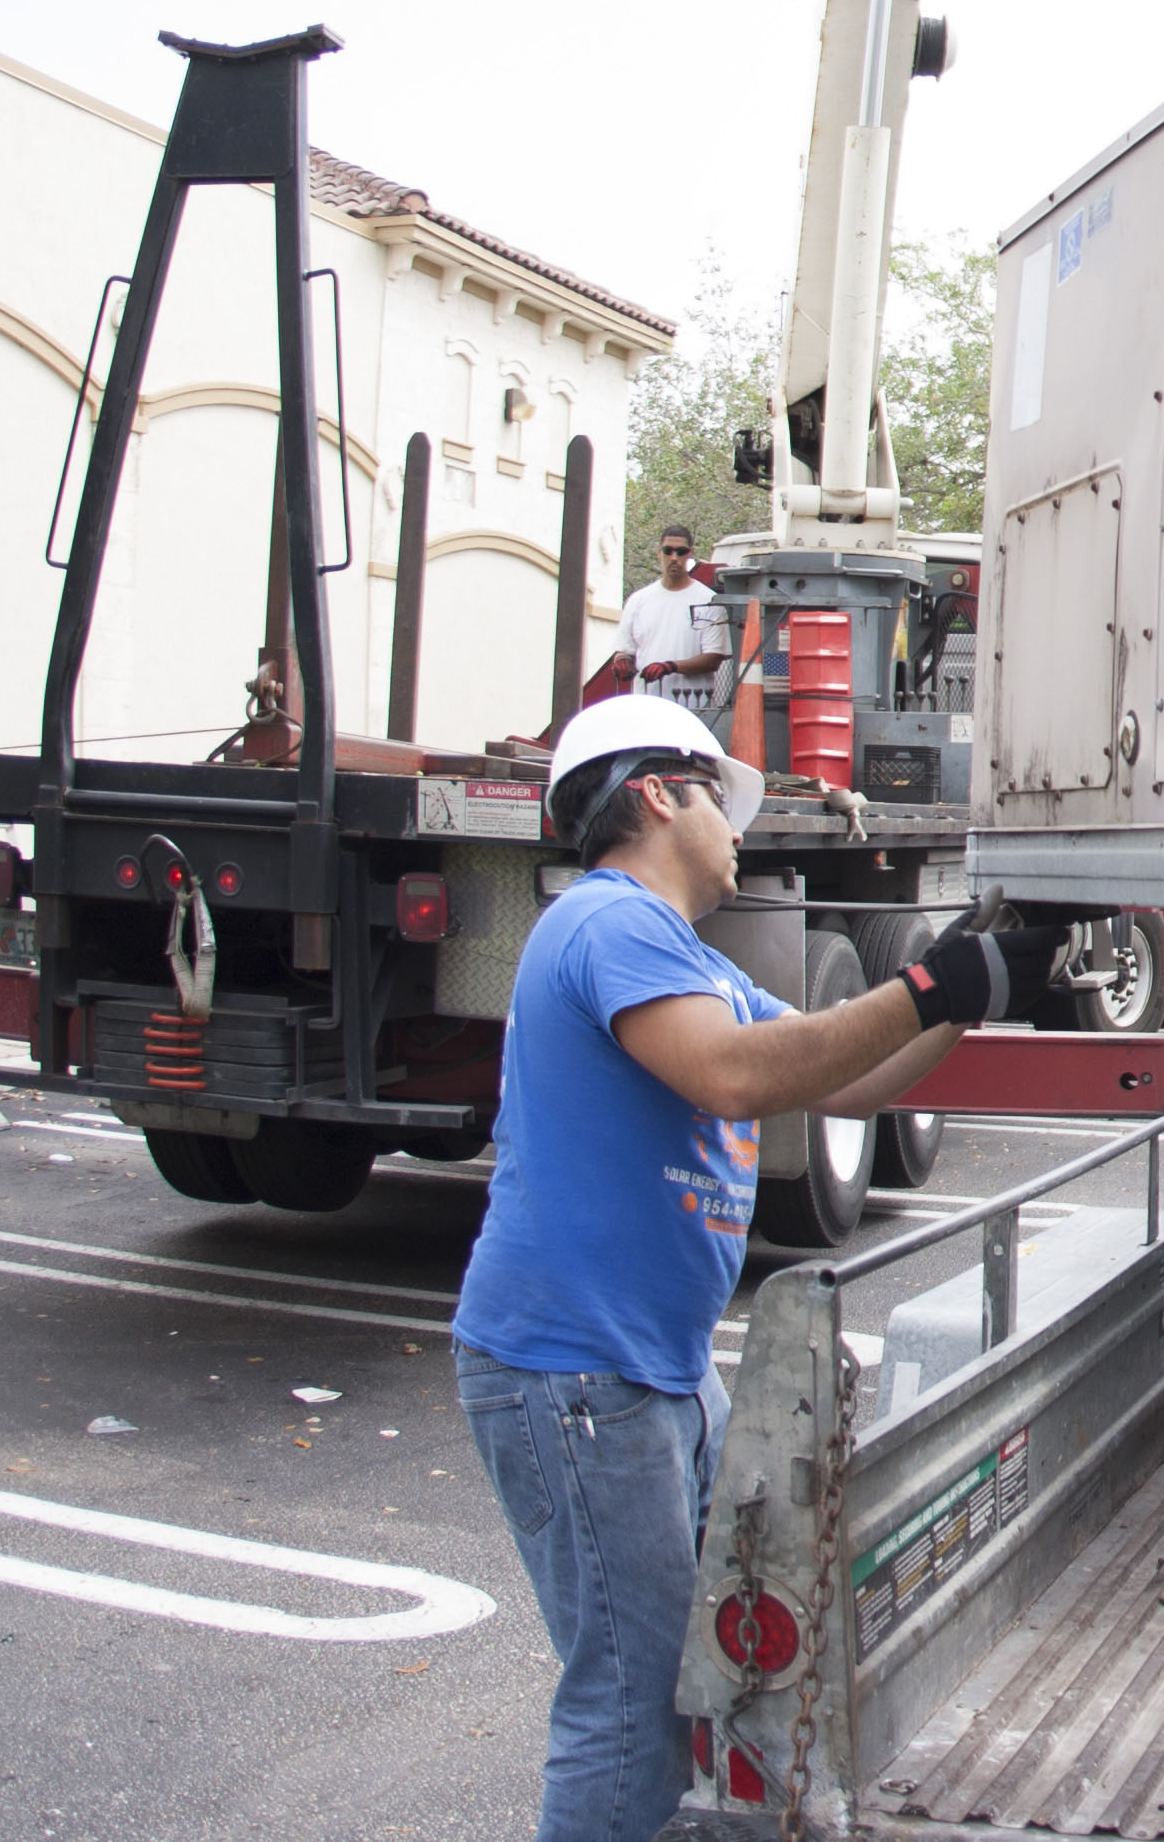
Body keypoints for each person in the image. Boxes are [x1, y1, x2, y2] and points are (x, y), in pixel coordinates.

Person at [450, 693, 1070, 1842]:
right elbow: (735, 1077)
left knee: (718, 1671)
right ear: (654, 795)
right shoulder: (605, 922)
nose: (741, 828)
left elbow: (838, 1080)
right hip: (575, 1372)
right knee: (634, 1699)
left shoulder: (681, 954)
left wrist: (976, 986)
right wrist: (936, 988)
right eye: (719, 801)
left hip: (655, 1373)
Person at [617, 527, 728, 716]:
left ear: (690, 554)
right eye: (668, 551)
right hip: (646, 705)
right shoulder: (639, 600)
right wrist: (621, 661)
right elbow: (625, 649)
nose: (674, 557)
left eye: (681, 552)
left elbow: (713, 659)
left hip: (693, 706)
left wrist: (670, 667)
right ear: (659, 553)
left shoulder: (709, 600)